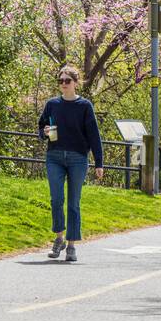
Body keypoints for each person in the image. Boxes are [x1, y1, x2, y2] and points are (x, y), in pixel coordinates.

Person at [38, 65, 105, 260]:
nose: (64, 84)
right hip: (55, 157)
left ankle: (71, 245)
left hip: (78, 159)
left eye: (67, 81)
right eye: (61, 81)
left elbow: (94, 135)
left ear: (76, 83)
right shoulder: (52, 104)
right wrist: (44, 131)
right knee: (56, 199)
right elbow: (41, 127)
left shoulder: (85, 106)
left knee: (73, 203)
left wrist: (99, 162)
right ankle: (58, 238)